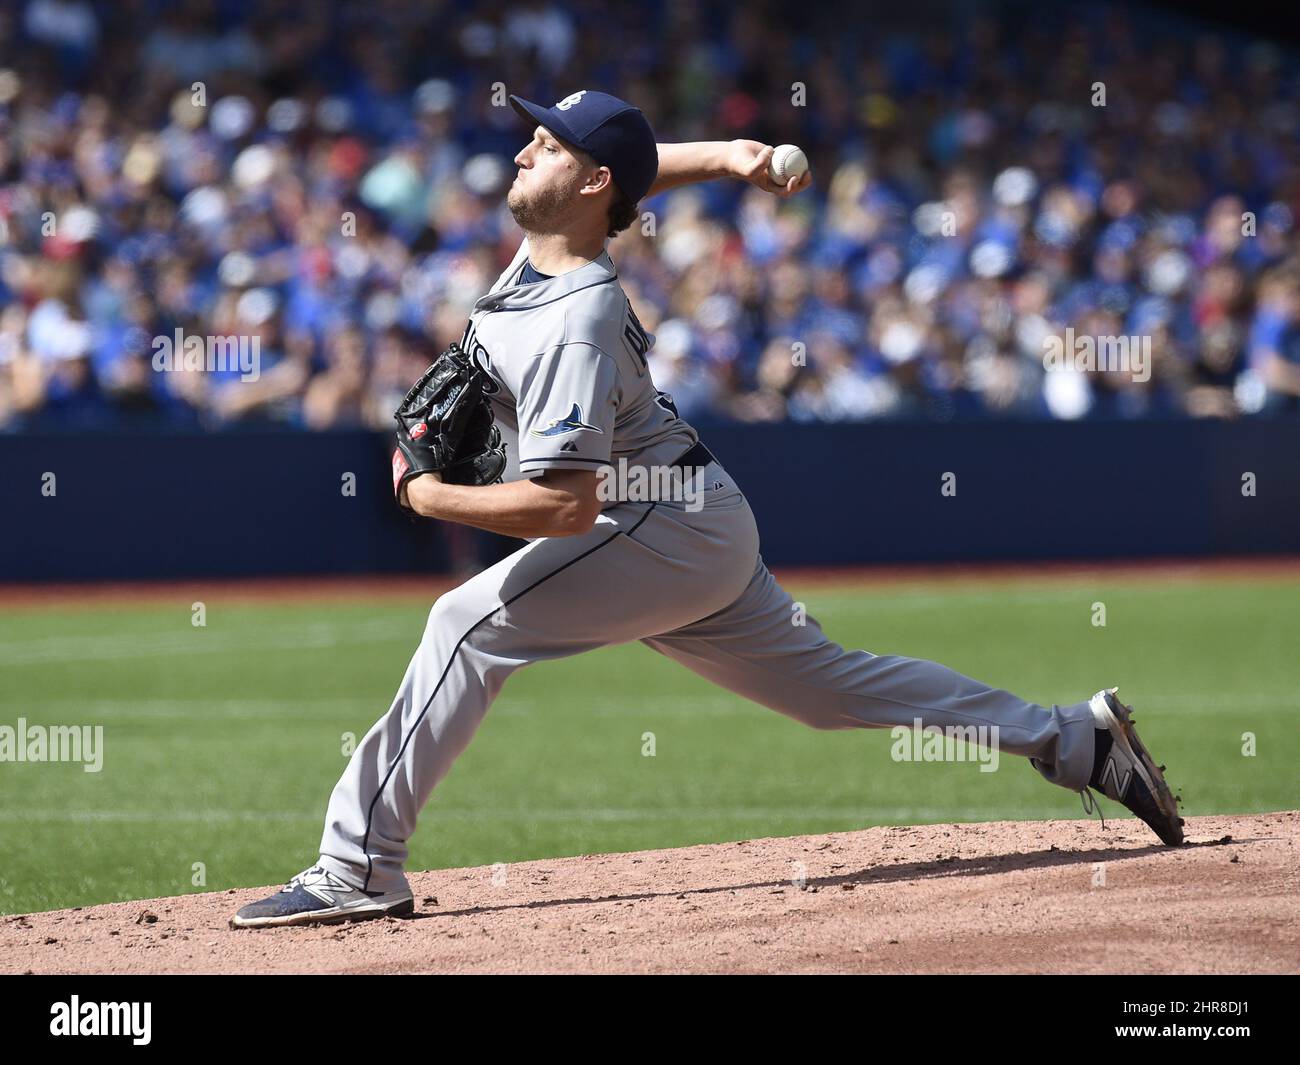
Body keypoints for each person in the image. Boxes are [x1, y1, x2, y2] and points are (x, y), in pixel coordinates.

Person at [231, 91, 1183, 928]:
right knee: (829, 690)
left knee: (465, 622)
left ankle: (358, 865)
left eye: (548, 145)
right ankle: (1070, 735)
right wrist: (722, 159)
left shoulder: (579, 314)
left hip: (656, 524)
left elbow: (567, 508)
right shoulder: (545, 247)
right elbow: (627, 173)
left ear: (589, 182)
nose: (524, 150)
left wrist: (430, 495)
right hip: (696, 519)